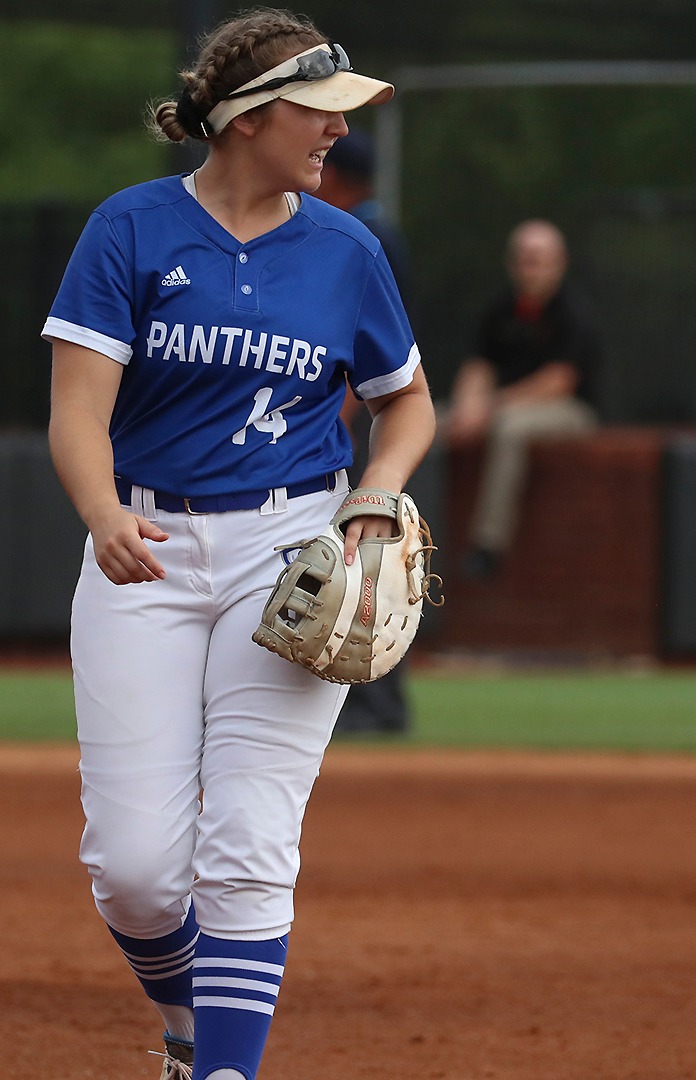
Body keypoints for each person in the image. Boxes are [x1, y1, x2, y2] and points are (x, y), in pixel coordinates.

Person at [41, 10, 436, 1079]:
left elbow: (407, 408)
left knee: (251, 847)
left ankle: (223, 1069)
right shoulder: (129, 229)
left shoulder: (347, 248)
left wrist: (376, 497)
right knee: (133, 872)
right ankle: (186, 1029)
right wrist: (101, 512)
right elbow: (76, 409)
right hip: (147, 544)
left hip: (288, 547)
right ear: (252, 119)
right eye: (320, 116)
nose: (336, 140)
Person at [319, 130, 414, 735]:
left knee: (366, 568)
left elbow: (373, 356)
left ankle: (378, 707)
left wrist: (341, 422)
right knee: (355, 569)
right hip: (372, 420)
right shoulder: (369, 230)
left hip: (374, 425)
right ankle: (371, 705)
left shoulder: (367, 236)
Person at [444, 219, 602, 579]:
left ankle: (488, 545)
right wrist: (467, 406)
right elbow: (478, 366)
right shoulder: (501, 309)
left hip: (569, 412)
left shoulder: (573, 312)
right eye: (523, 259)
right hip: (500, 405)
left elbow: (558, 383)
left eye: (538, 259)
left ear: (559, 262)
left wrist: (488, 407)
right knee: (431, 420)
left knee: (510, 429)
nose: (529, 268)